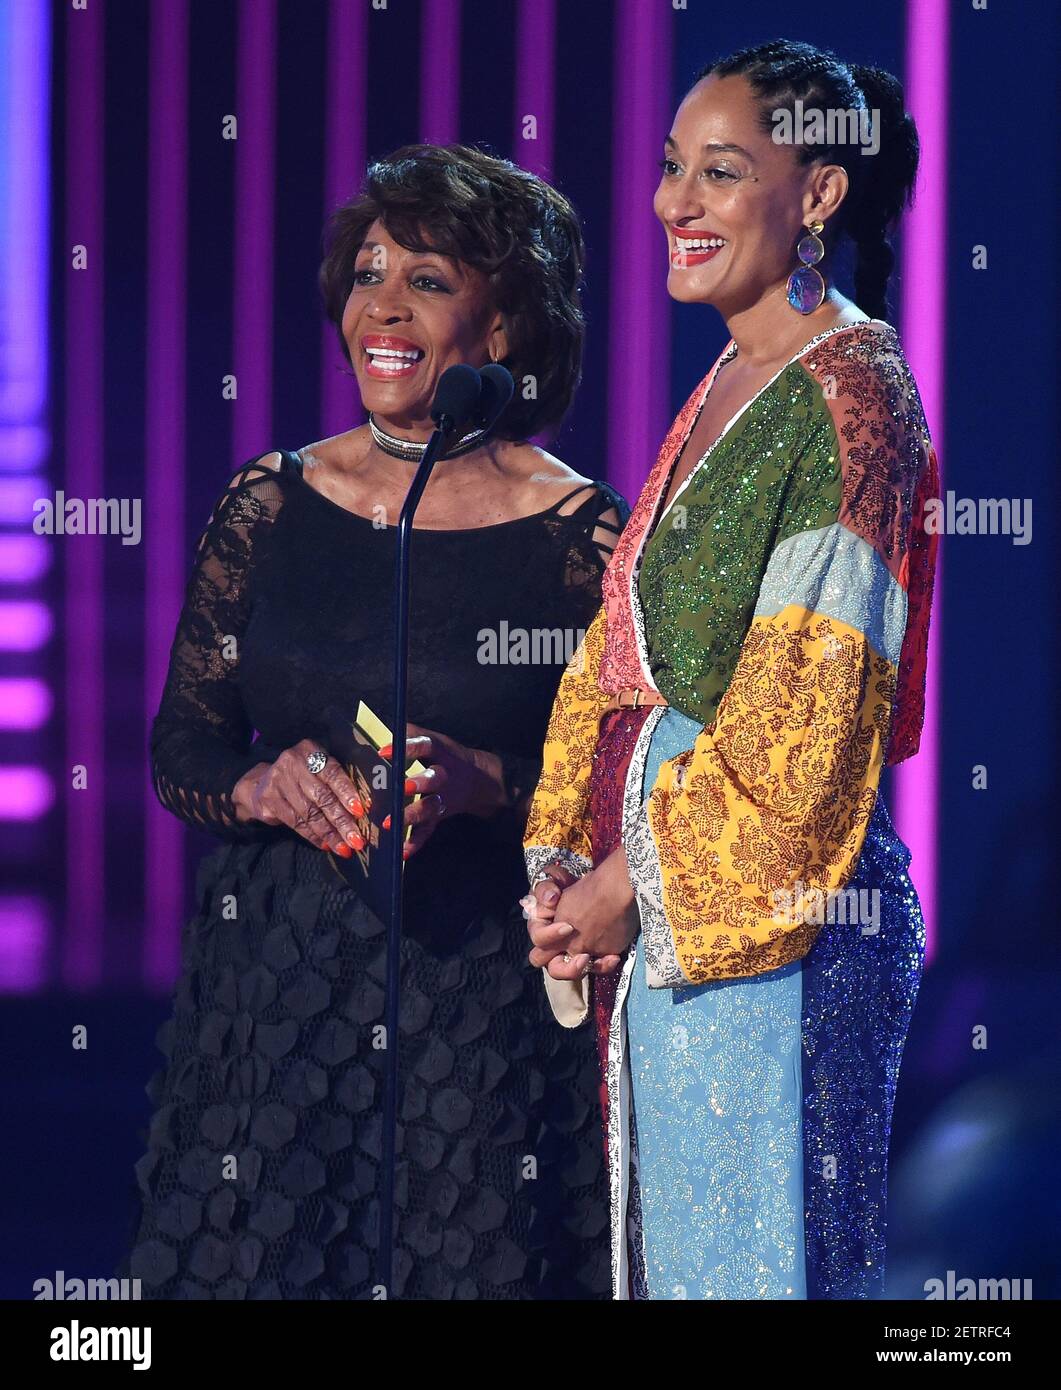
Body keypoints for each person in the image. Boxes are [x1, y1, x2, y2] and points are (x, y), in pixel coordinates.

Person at [123, 143, 626, 1299]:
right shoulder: (270, 499)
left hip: (482, 1013)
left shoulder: (583, 536)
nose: (380, 308)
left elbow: (623, 791)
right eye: (366, 272)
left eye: (428, 281)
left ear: (500, 330)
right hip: (275, 1004)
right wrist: (258, 787)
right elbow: (181, 747)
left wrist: (481, 780)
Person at [523, 41, 939, 1300]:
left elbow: (799, 749)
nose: (670, 205)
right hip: (664, 947)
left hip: (779, 952)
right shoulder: (732, 379)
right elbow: (614, 654)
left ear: (815, 196)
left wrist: (624, 882)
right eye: (666, 171)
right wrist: (558, 860)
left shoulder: (853, 404)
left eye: (717, 173)